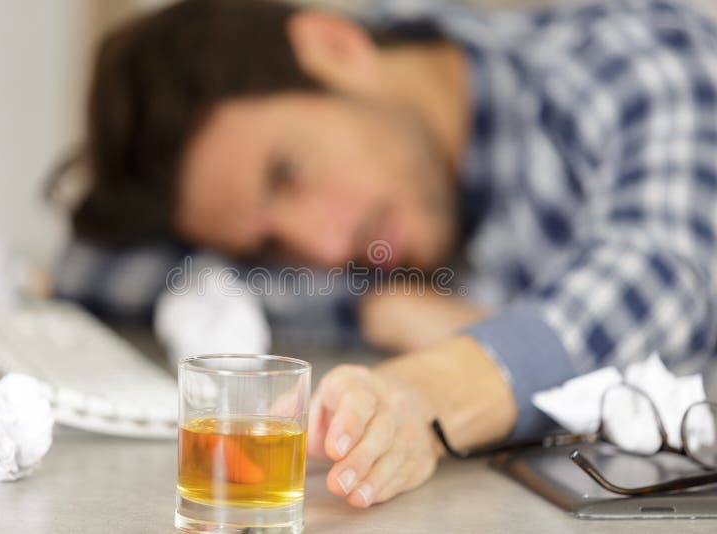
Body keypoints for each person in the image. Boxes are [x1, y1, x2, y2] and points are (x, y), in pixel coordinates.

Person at [61, 0, 717, 508]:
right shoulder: (363, 231)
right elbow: (90, 267)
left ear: (336, 48)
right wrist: (377, 306)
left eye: (287, 172)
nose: (319, 247)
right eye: (270, 245)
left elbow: (668, 276)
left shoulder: (636, 60)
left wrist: (427, 394)